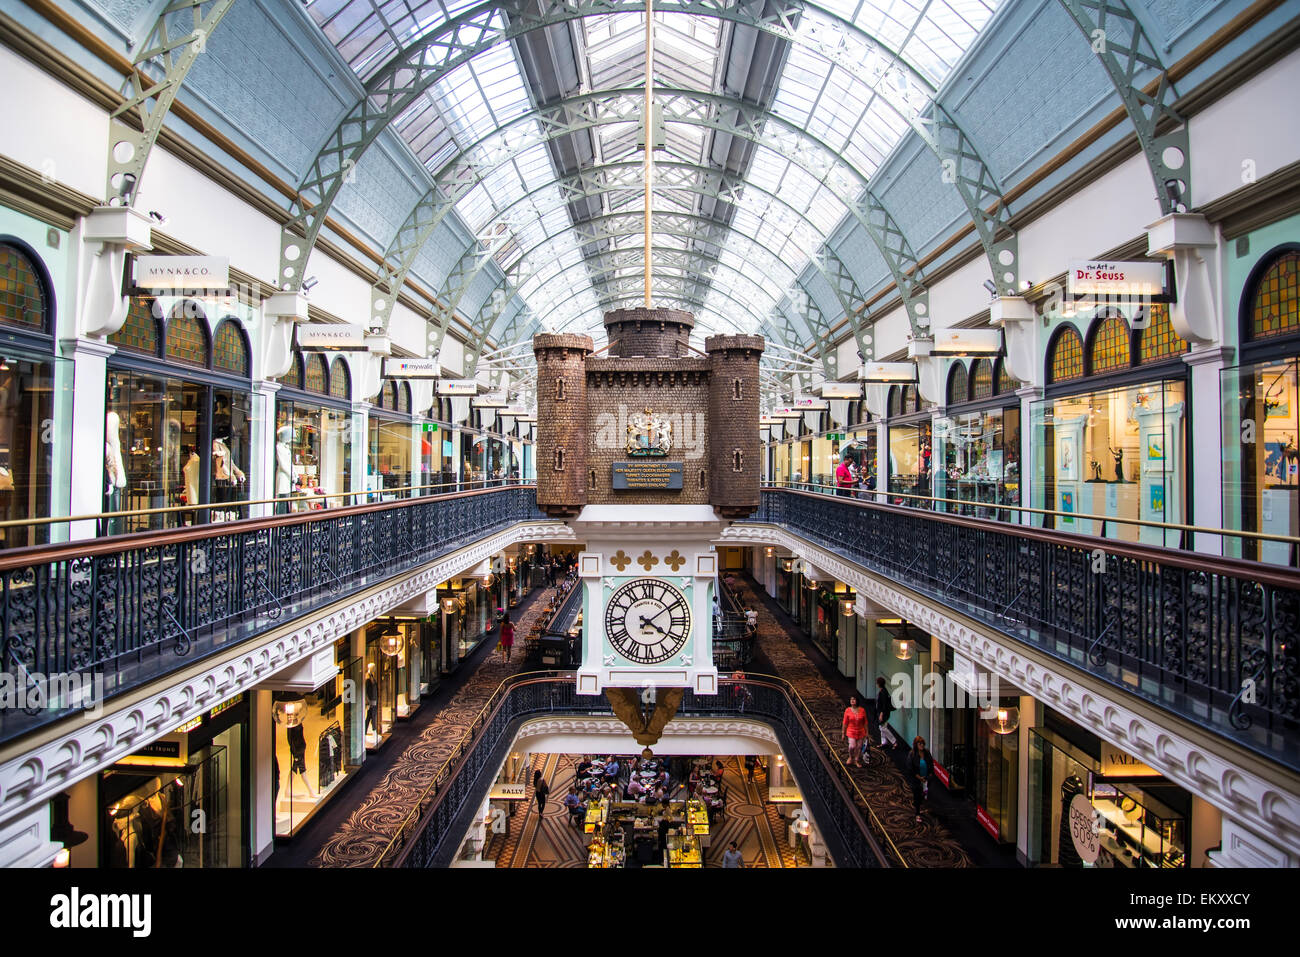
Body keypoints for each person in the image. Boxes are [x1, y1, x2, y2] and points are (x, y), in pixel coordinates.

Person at [907, 735, 935, 823]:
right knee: (917, 796)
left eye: (922, 744)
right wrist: (919, 777)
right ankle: (917, 814)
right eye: (919, 744)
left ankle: (919, 808)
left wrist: (928, 776)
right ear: (916, 745)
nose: (922, 745)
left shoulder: (926, 753)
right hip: (916, 780)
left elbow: (931, 764)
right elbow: (910, 768)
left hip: (926, 779)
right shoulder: (912, 754)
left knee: (923, 795)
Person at [842, 694, 869, 768]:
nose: (852, 701)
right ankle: (851, 757)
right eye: (851, 699)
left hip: (860, 731)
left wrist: (867, 732)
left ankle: (856, 760)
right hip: (851, 731)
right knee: (852, 746)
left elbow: (865, 722)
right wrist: (843, 733)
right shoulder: (847, 710)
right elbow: (845, 723)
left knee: (859, 746)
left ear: (857, 701)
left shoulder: (862, 710)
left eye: (854, 699)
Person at [875, 675, 896, 750]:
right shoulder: (882, 690)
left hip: (884, 712)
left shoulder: (883, 692)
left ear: (879, 684)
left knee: (882, 727)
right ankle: (884, 742)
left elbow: (884, 704)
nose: (876, 684)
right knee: (883, 727)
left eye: (877, 683)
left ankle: (894, 742)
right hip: (881, 712)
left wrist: (881, 714)